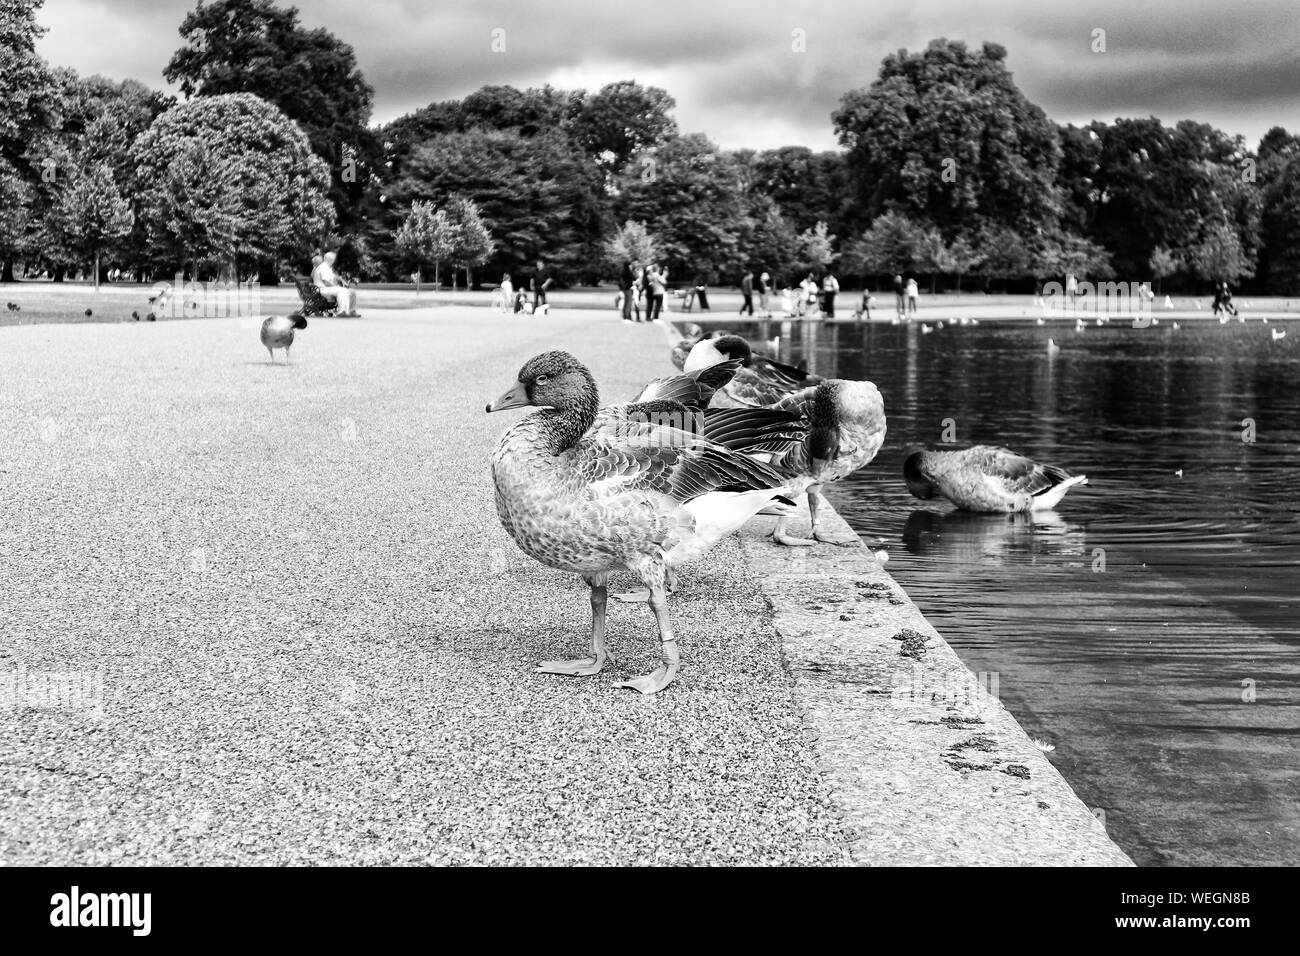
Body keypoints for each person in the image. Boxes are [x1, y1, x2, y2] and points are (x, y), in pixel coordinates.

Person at [311, 250, 357, 315]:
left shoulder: (327, 267)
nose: (335, 261)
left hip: (326, 289)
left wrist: (340, 279)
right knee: (342, 290)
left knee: (352, 292)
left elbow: (332, 275)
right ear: (331, 260)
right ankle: (342, 312)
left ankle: (351, 311)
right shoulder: (323, 267)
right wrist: (336, 286)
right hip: (322, 289)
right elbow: (326, 282)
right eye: (334, 259)